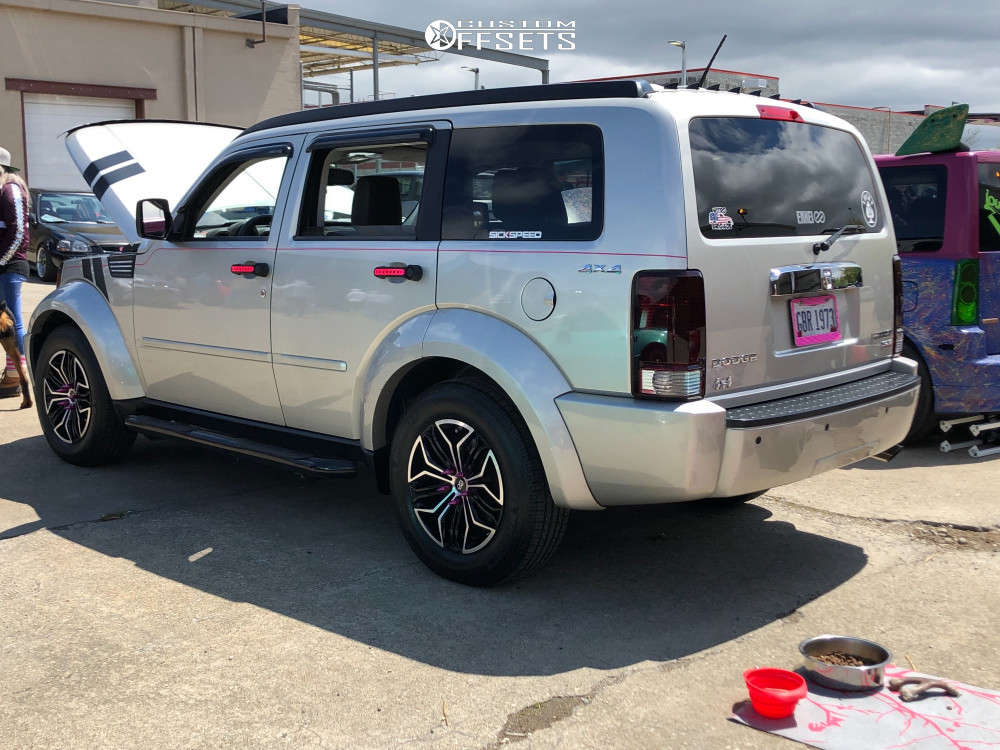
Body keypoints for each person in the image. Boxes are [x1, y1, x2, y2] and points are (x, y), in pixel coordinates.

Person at [0, 145, 30, 400]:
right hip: (3, 265)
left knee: (13, 320)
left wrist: (1, 261)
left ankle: (16, 376)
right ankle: (12, 374)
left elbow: (18, 232)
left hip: (10, 266)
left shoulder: (11, 190)